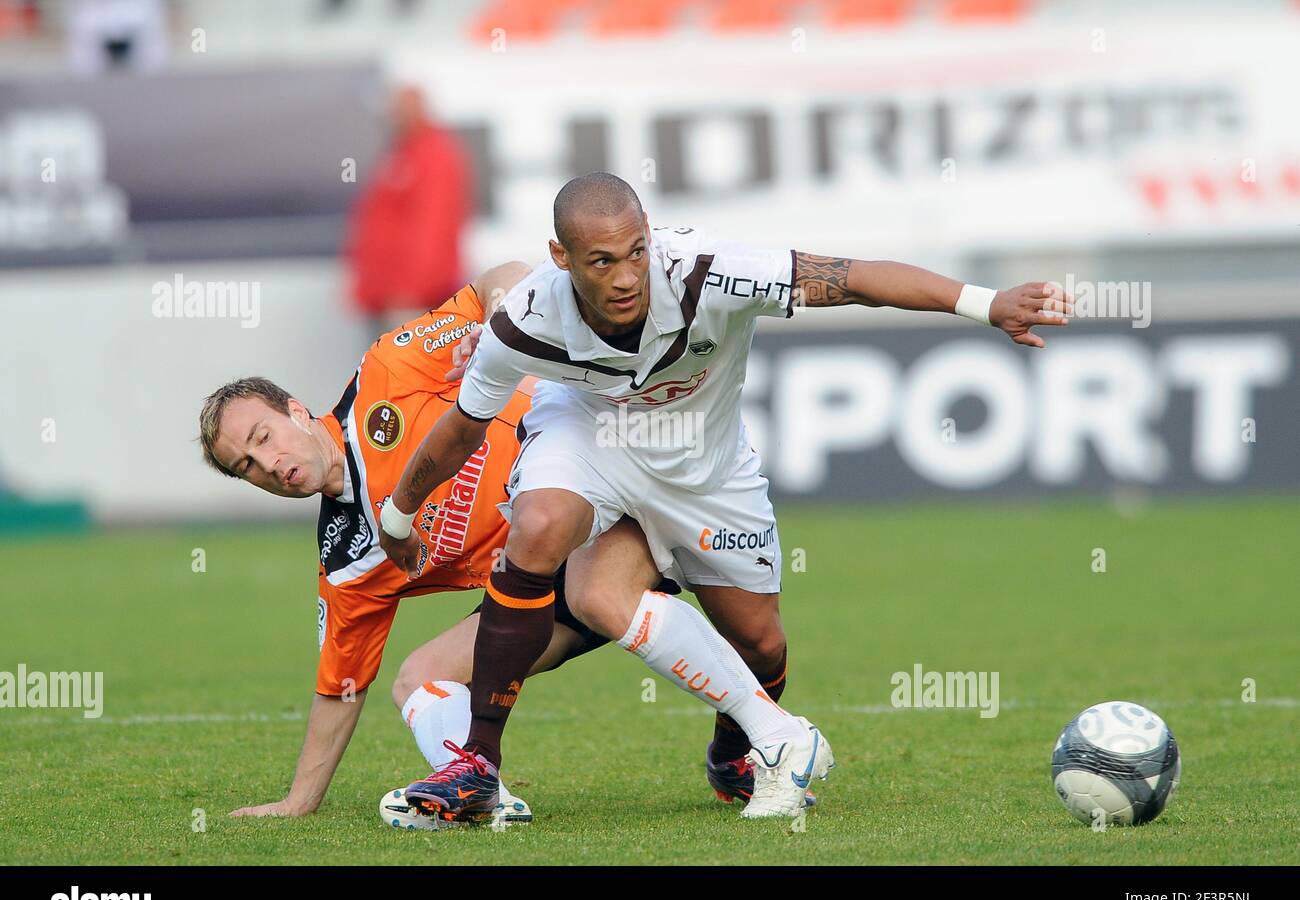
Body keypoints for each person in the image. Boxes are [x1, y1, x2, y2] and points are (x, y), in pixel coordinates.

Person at [379, 172, 1073, 822]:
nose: (624, 278)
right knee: (544, 527)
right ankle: (477, 764)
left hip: (707, 472)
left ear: (650, 233)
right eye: (600, 262)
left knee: (761, 644)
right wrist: (398, 513)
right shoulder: (526, 318)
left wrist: (986, 304)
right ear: (560, 256)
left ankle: (735, 750)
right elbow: (462, 428)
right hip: (592, 440)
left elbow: (855, 278)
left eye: (635, 253)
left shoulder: (714, 269)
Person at [198, 262, 816, 826]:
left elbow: (508, 277)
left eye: (263, 436)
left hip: (607, 467)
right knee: (419, 680)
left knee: (758, 642)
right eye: (247, 465)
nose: (268, 462)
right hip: (544, 581)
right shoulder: (348, 561)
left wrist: (495, 326)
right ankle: (479, 787)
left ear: (295, 410)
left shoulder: (387, 373)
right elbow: (340, 688)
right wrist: (298, 802)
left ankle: (753, 742)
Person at [346, 84, 471, 331]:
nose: (392, 115)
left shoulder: (432, 155)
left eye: (398, 108)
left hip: (412, 299)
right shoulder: (403, 153)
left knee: (406, 365)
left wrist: (411, 289)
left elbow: (431, 227)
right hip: (388, 294)